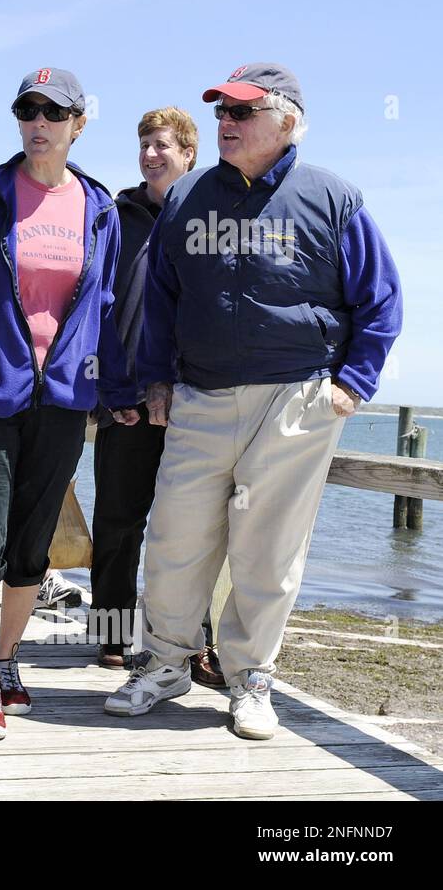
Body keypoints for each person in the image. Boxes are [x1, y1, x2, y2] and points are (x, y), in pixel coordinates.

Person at [104, 64, 403, 741]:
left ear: (287, 121)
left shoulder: (332, 198)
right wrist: (154, 379)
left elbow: (380, 299)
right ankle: (166, 663)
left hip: (295, 397)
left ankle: (250, 678)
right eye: (220, 113)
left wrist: (353, 384)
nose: (226, 124)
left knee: (268, 549)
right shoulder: (186, 196)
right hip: (199, 394)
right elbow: (160, 301)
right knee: (175, 535)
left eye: (242, 112)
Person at [0, 67, 138, 742]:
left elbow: (105, 309)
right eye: (27, 110)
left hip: (64, 400)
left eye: (54, 112)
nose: (39, 122)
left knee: (33, 547)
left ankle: (8, 659)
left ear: (78, 123)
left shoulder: (99, 206)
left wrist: (117, 390)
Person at [89, 106, 226, 683]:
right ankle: (109, 634)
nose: (151, 154)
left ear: (189, 154)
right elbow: (94, 303)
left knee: (194, 530)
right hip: (124, 398)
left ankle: (194, 641)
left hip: (193, 401)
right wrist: (109, 387)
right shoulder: (114, 219)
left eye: (163, 145)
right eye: (144, 143)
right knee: (118, 522)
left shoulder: (210, 215)